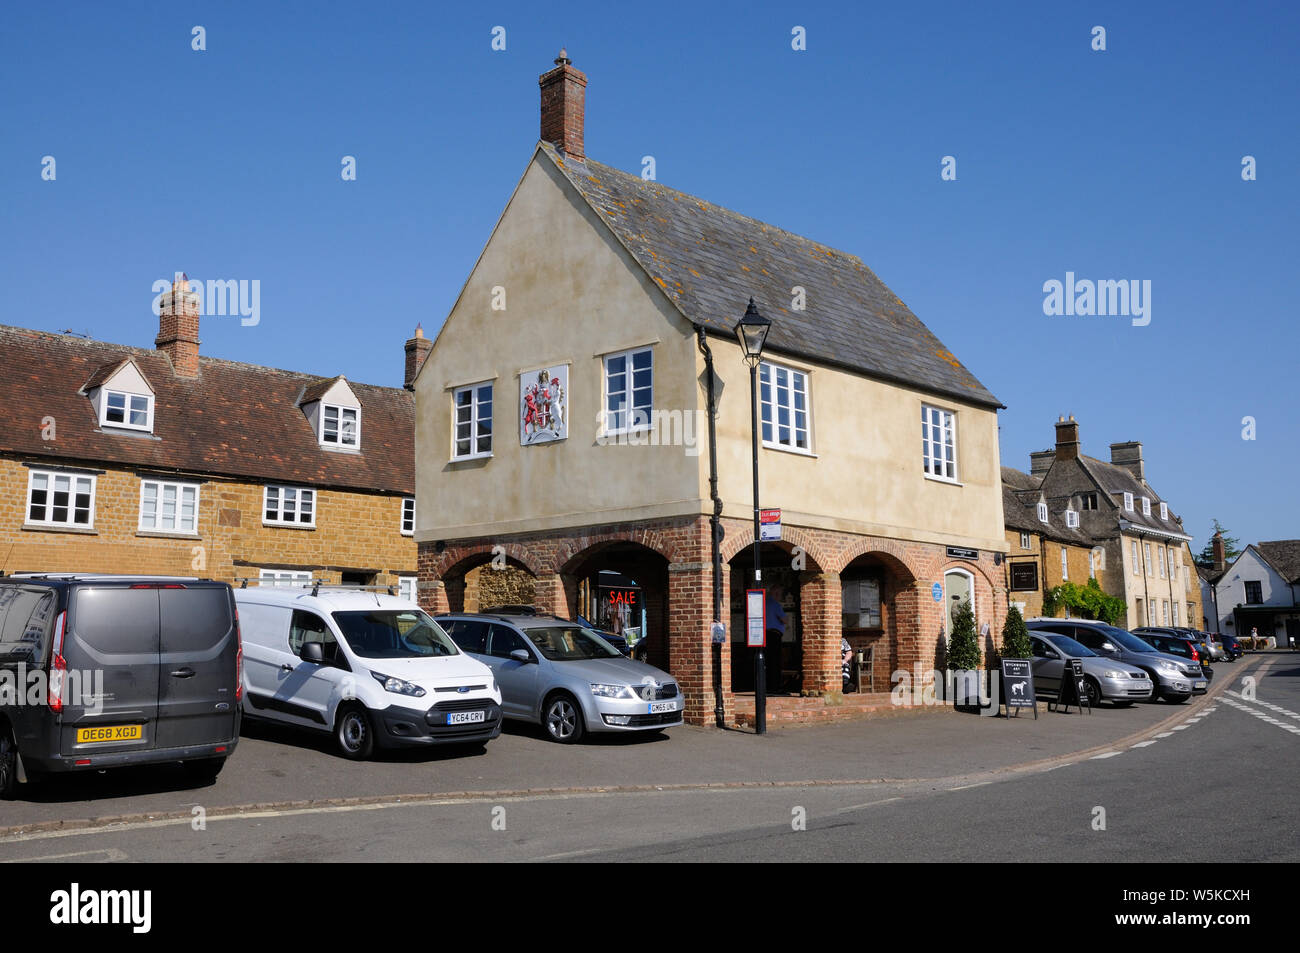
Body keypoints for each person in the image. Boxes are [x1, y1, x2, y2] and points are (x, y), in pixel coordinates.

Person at [764, 586, 787, 694]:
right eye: (780, 593)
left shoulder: (765, 603)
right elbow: (785, 619)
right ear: (776, 593)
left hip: (765, 635)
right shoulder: (775, 604)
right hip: (774, 635)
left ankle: (768, 686)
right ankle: (775, 687)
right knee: (775, 662)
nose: (780, 596)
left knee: (768, 661)